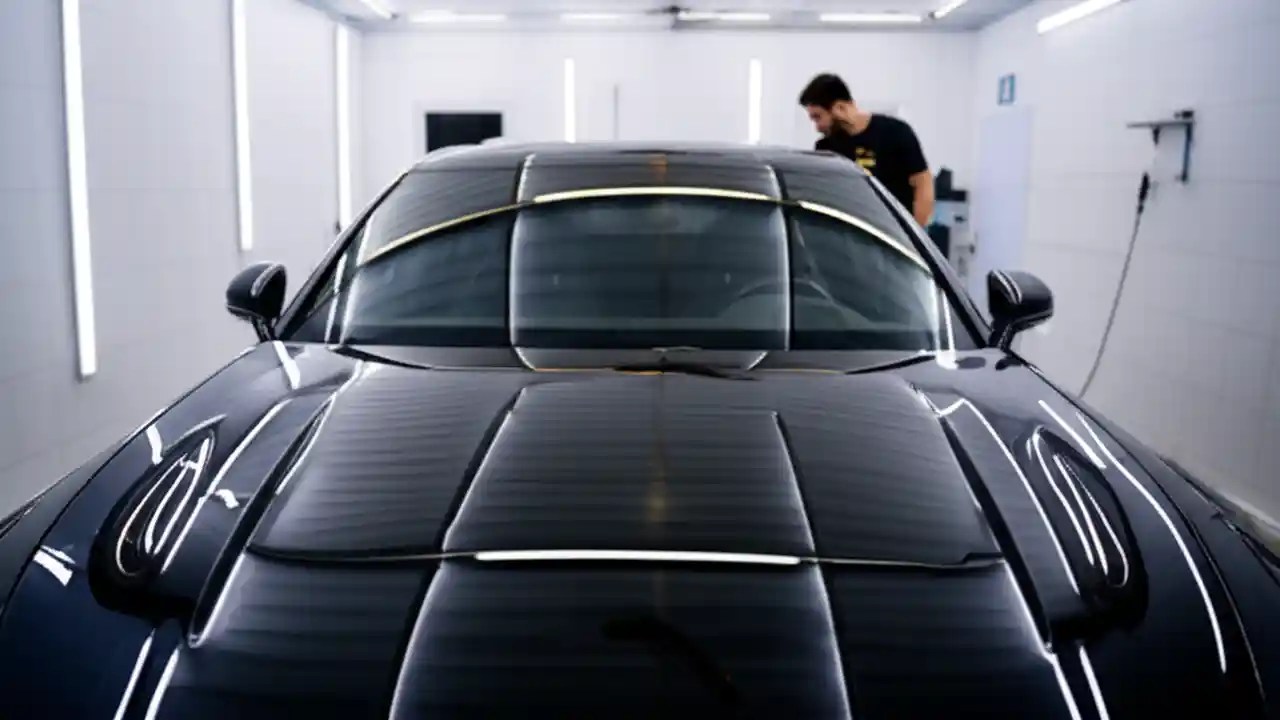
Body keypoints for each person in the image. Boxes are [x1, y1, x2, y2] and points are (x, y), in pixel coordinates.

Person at [799, 73, 935, 226]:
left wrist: (915, 231)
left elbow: (923, 183)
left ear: (840, 108)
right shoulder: (826, 147)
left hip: (894, 231)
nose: (817, 127)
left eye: (818, 117)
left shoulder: (896, 132)